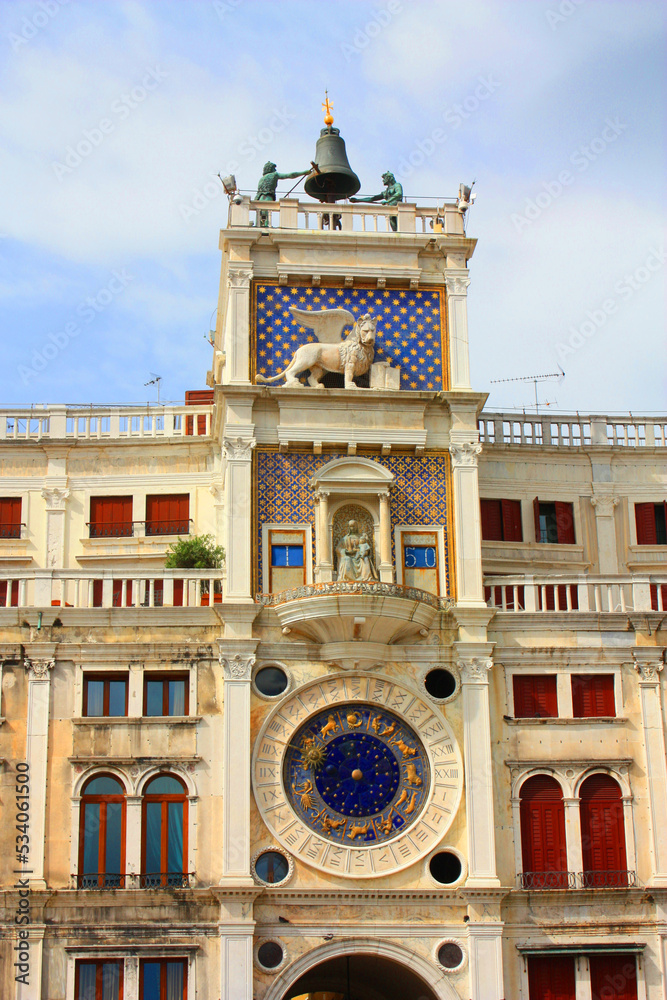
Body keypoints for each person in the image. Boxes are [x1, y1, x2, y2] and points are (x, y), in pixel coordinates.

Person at [255, 161, 310, 226]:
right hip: (268, 196)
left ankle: (259, 225)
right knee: (267, 215)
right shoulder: (274, 174)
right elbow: (290, 175)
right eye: (274, 168)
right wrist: (304, 172)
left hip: (259, 198)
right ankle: (266, 227)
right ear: (271, 169)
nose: (275, 170)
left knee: (261, 215)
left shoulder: (261, 179)